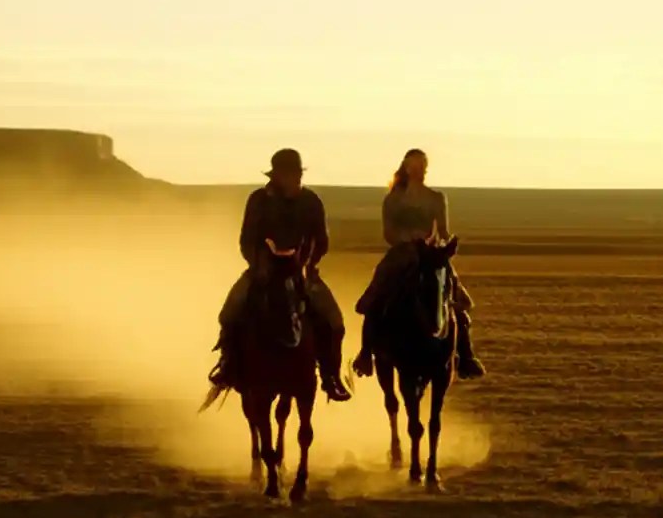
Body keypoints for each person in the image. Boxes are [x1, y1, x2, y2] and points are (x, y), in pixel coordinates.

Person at [208, 148, 353, 402]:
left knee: (334, 322)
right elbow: (246, 240)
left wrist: (309, 263)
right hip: (264, 272)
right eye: (286, 174)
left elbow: (322, 240)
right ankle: (228, 365)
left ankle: (330, 374)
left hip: (301, 272)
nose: (292, 178)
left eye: (295, 174)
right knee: (229, 314)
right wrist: (259, 264)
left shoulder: (311, 202)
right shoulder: (258, 201)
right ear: (276, 175)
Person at [352, 148, 486, 379]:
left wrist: (445, 243)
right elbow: (388, 233)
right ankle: (365, 354)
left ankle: (465, 355)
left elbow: (442, 230)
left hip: (430, 253)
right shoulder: (393, 199)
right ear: (406, 168)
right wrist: (407, 239)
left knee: (455, 298)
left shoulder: (436, 198)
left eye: (422, 166)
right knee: (377, 295)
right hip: (401, 253)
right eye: (414, 167)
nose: (419, 171)